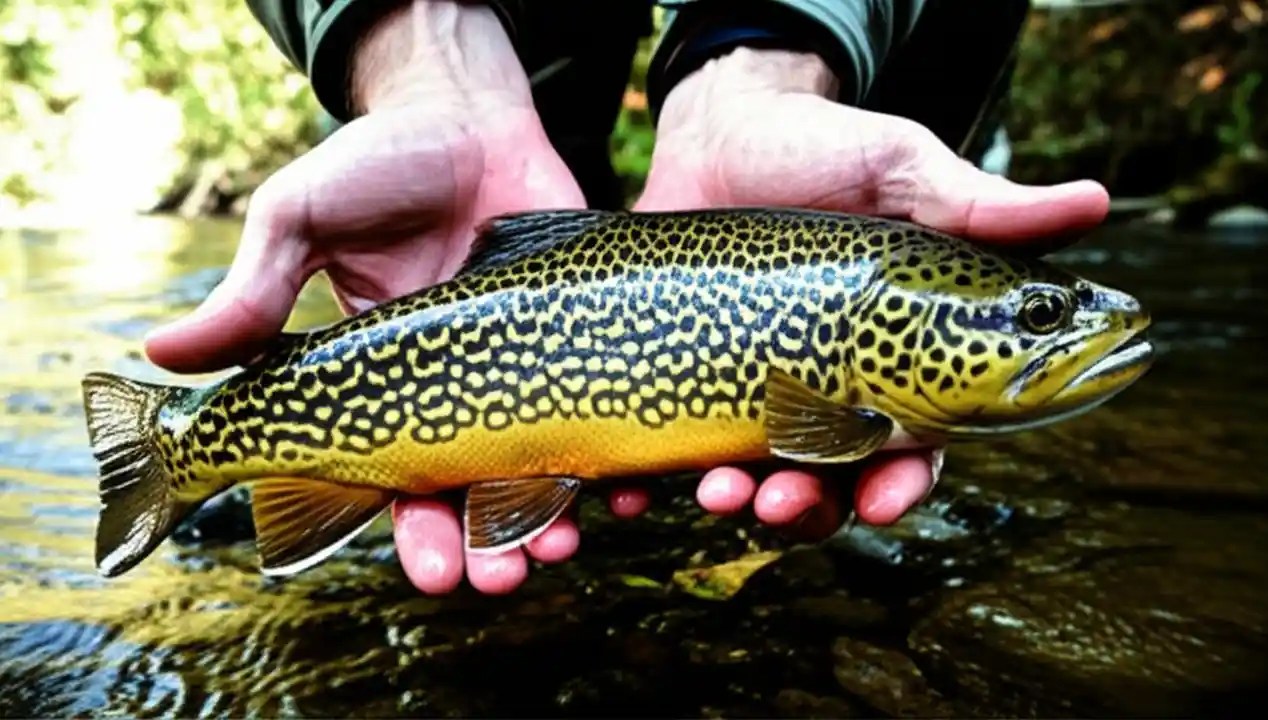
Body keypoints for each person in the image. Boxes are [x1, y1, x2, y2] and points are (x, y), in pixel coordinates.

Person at [144, 0, 1110, 595]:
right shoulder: (840, 417)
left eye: (1038, 319)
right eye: (1037, 318)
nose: (1057, 329)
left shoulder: (864, 344)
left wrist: (763, 56)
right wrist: (415, 59)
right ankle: (183, 449)